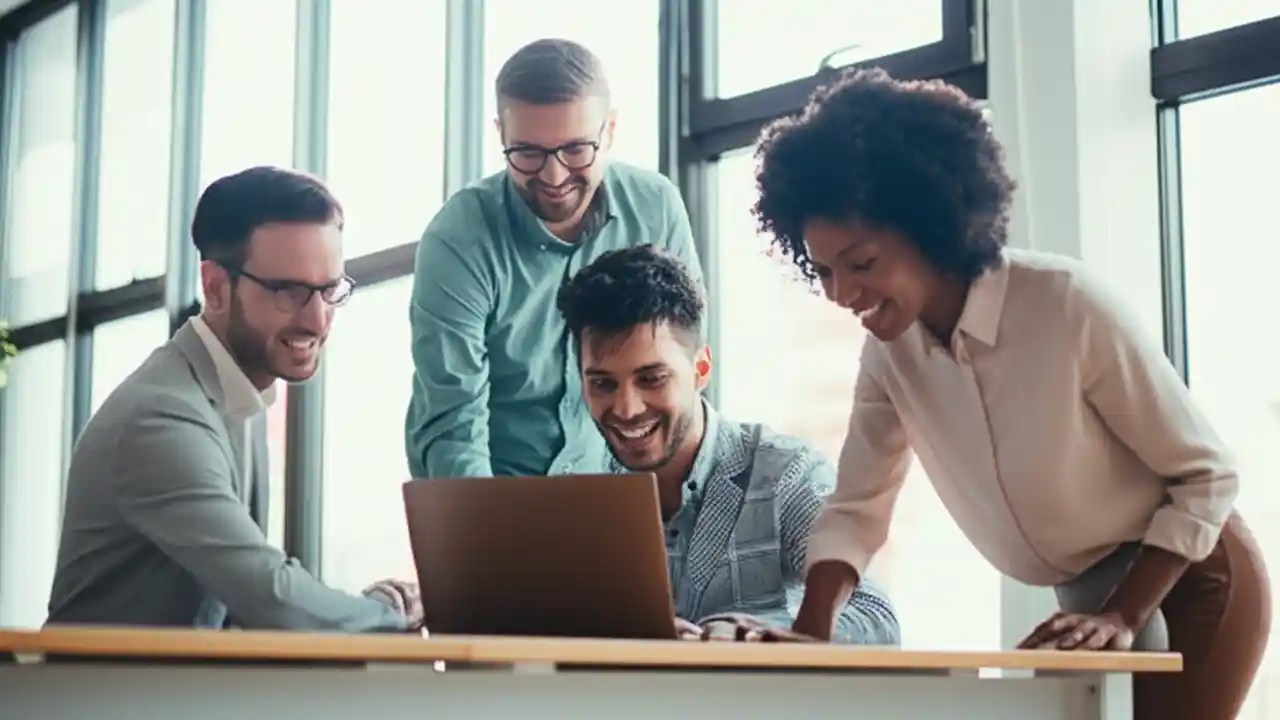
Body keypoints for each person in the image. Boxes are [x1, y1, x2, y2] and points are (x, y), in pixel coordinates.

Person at [749, 67, 1270, 718]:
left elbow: (1208, 475)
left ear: (928, 226)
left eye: (861, 264)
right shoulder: (890, 352)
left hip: (1191, 577)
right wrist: (811, 633)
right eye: (822, 270)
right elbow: (857, 507)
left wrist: (1124, 613)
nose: (840, 294)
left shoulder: (1064, 303)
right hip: (1085, 593)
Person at [47, 166, 421, 631]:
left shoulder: (237, 395)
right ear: (216, 287)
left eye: (329, 290)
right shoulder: (162, 417)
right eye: (289, 291)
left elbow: (241, 607)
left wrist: (365, 608)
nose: (318, 320)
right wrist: (387, 614)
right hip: (99, 700)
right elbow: (270, 596)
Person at [556, 245, 899, 644]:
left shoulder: (784, 475)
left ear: (700, 369)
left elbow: (877, 619)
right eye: (602, 384)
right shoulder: (575, 490)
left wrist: (755, 633)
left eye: (651, 379)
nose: (627, 408)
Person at [405, 38, 703, 480]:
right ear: (501, 135)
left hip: (619, 491)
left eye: (577, 149)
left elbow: (682, 367)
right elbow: (454, 422)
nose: (554, 175)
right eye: (528, 153)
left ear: (611, 131)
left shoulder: (655, 207)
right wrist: (482, 539)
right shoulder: (459, 239)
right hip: (496, 492)